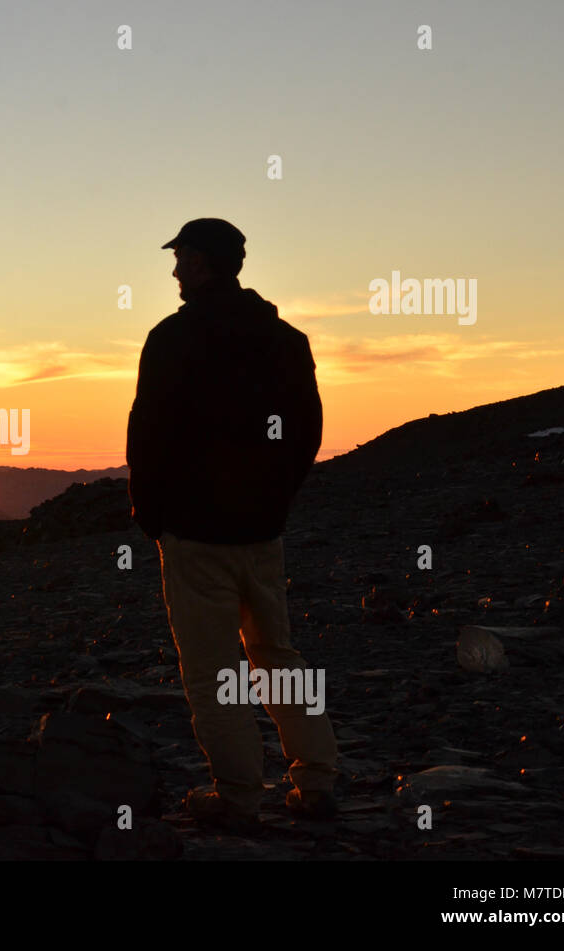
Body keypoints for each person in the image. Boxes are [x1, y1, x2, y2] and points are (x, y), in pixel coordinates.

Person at [126, 219, 339, 830]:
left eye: (181, 258)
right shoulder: (285, 339)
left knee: (214, 667)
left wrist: (150, 511)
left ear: (200, 263)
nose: (173, 270)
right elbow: (306, 432)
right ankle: (316, 779)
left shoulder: (174, 337)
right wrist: (278, 497)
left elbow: (150, 432)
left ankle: (240, 796)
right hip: (262, 528)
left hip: (195, 531)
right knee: (277, 653)